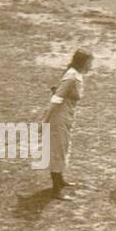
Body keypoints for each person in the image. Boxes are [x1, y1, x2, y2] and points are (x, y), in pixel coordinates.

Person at [42, 48, 93, 200]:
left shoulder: (75, 74)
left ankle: (60, 180)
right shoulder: (72, 76)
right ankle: (56, 190)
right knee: (57, 151)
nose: (91, 65)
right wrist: (45, 120)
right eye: (89, 62)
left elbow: (58, 91)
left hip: (66, 117)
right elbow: (56, 99)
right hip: (59, 118)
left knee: (63, 148)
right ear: (83, 62)